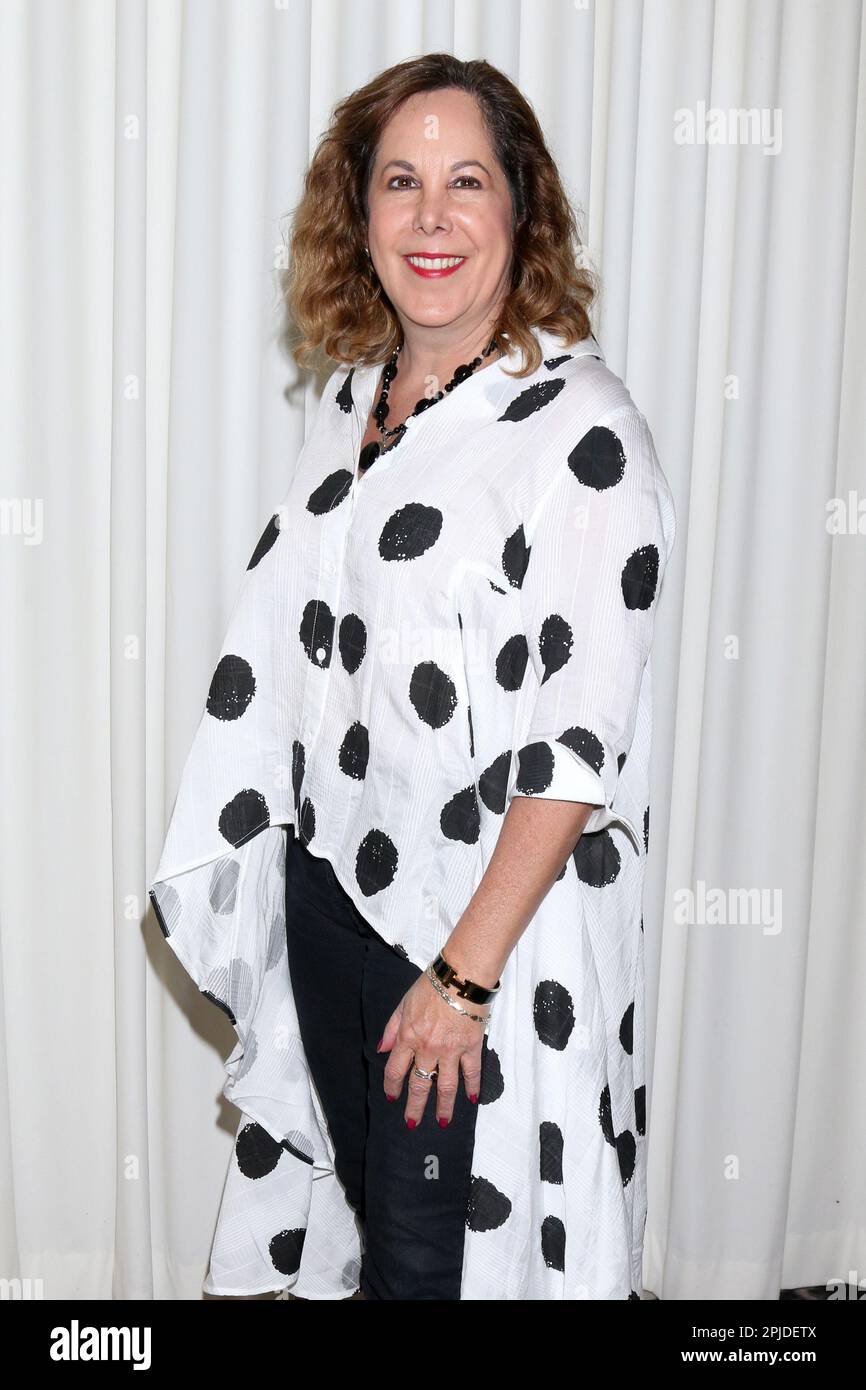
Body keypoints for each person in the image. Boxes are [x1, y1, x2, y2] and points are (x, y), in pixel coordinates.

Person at [149, 52, 677, 1301]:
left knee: (431, 1266)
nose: (430, 217)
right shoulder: (353, 401)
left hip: (472, 946)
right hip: (332, 899)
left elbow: (574, 746)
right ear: (360, 215)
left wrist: (459, 980)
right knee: (367, 1228)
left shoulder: (582, 434)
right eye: (399, 182)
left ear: (520, 212)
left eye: (465, 181)